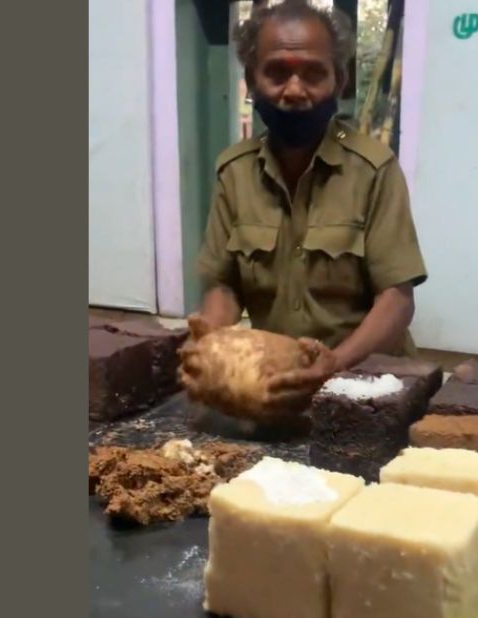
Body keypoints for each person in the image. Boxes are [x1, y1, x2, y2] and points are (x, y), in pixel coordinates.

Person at [180, 1, 427, 415]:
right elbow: (224, 284)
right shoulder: (234, 172)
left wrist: (336, 363)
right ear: (252, 81)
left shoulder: (374, 170)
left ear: (340, 80)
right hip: (280, 383)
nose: (295, 90)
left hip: (367, 386)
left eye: (314, 73)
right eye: (277, 73)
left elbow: (397, 299)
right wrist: (207, 345)